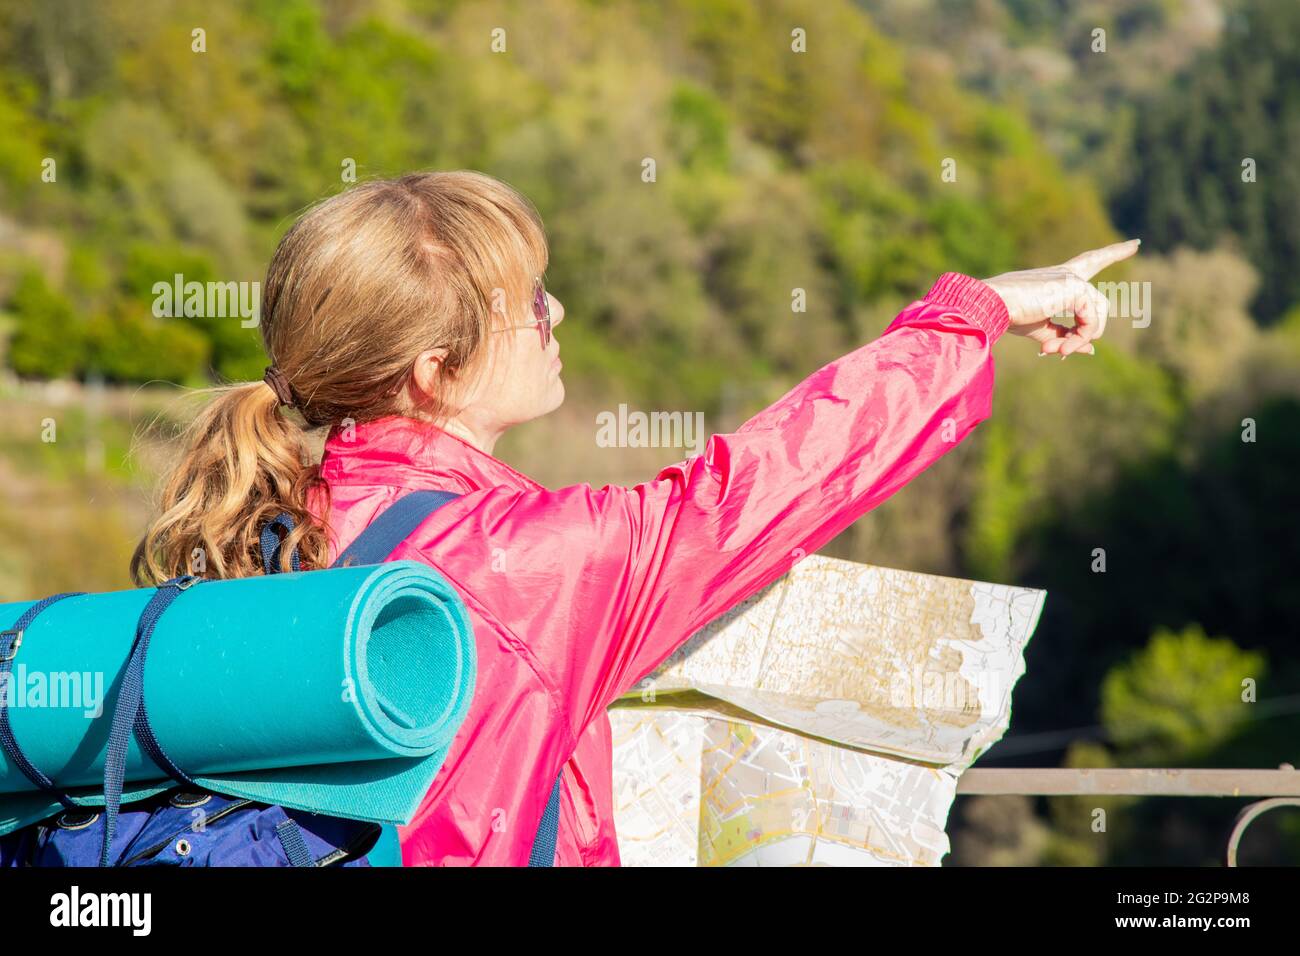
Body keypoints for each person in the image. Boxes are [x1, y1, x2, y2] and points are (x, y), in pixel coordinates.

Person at [130, 170, 1139, 866]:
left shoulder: (264, 520)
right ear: (435, 371)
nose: (556, 314)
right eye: (528, 304)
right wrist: (976, 313)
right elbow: (769, 482)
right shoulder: (519, 563)